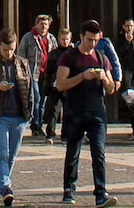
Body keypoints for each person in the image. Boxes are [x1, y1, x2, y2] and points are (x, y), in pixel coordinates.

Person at [52, 20, 118, 207]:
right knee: (73, 151)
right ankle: (69, 189)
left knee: (99, 151)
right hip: (75, 110)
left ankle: (101, 192)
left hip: (97, 111)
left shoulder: (101, 58)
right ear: (81, 37)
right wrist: (82, 76)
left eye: (96, 40)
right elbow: (61, 84)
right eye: (89, 40)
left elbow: (111, 89)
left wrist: (105, 78)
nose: (92, 43)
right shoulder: (69, 57)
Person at [0, 29, 33, 208]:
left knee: (12, 155)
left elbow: (31, 90)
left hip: (20, 116)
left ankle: (2, 184)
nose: (9, 53)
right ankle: (5, 187)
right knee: (2, 153)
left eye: (11, 49)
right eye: (5, 49)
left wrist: (30, 114)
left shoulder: (23, 63)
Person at [18, 16, 58, 140]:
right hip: (33, 74)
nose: (43, 26)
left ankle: (39, 124)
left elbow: (56, 55)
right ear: (36, 25)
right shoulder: (28, 38)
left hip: (47, 75)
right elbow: (21, 56)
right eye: (41, 24)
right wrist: (23, 73)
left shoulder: (51, 39)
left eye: (46, 24)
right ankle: (35, 125)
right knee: (36, 98)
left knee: (43, 101)